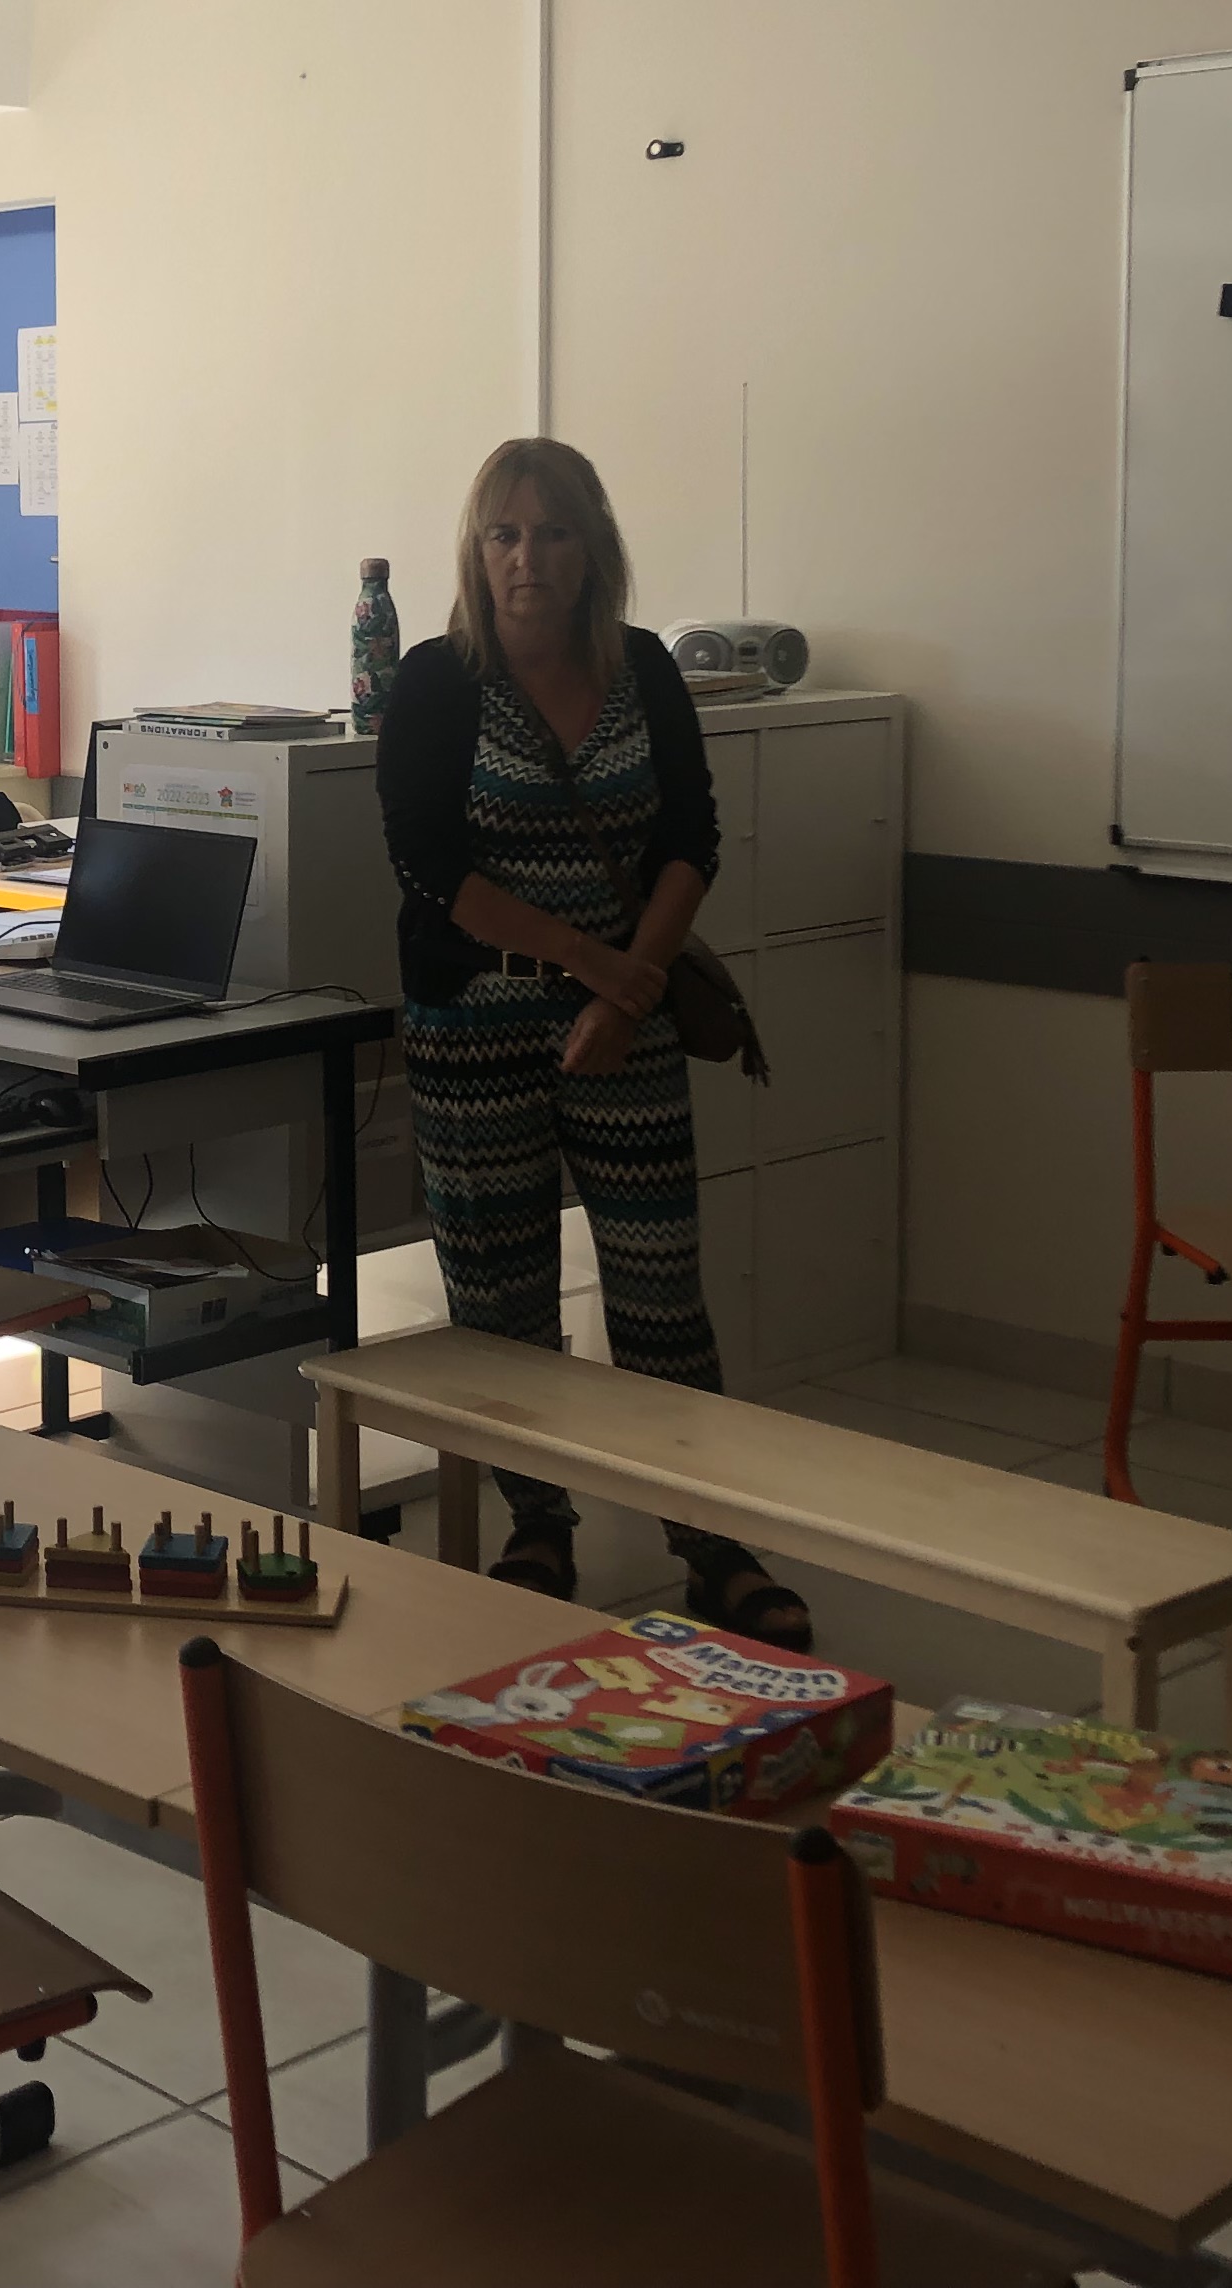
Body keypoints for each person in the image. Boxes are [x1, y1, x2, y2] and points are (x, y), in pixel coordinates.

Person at [374, 437, 807, 1642]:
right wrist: (589, 963)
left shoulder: (646, 670)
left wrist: (627, 997)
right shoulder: (435, 681)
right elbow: (430, 866)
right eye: (505, 534)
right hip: (475, 1025)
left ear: (592, 550)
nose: (528, 558)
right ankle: (538, 1525)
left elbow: (691, 840)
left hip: (629, 1024)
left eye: (553, 532)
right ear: (476, 549)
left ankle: (712, 1543)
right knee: (502, 1301)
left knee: (662, 1291)